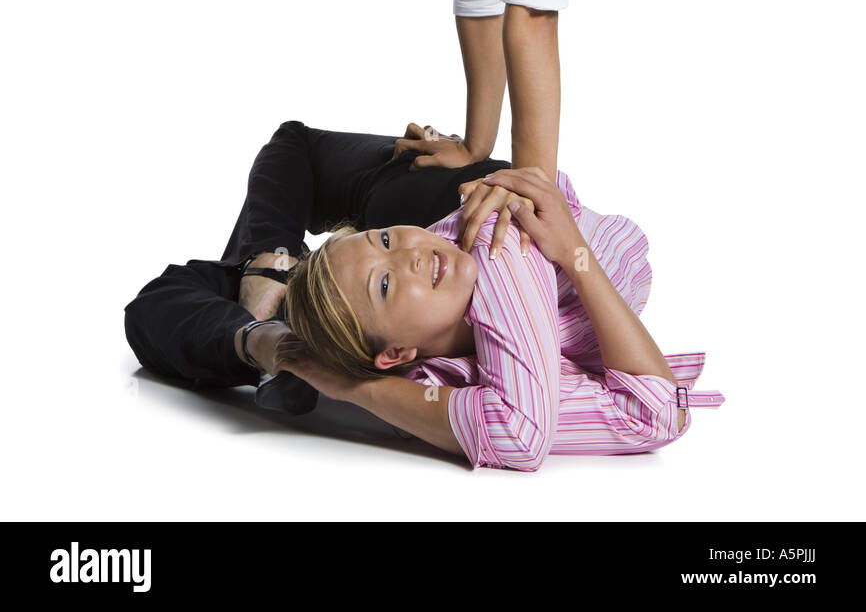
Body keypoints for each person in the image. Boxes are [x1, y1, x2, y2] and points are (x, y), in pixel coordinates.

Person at [124, 119, 724, 473]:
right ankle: (268, 302)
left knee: (300, 152)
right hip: (424, 289)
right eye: (385, 277)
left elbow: (524, 431)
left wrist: (348, 384)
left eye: (381, 247)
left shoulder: (480, 248)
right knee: (256, 305)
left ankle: (270, 274)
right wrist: (269, 343)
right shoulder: (438, 367)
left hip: (459, 204)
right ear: (395, 355)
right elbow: (653, 413)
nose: (404, 254)